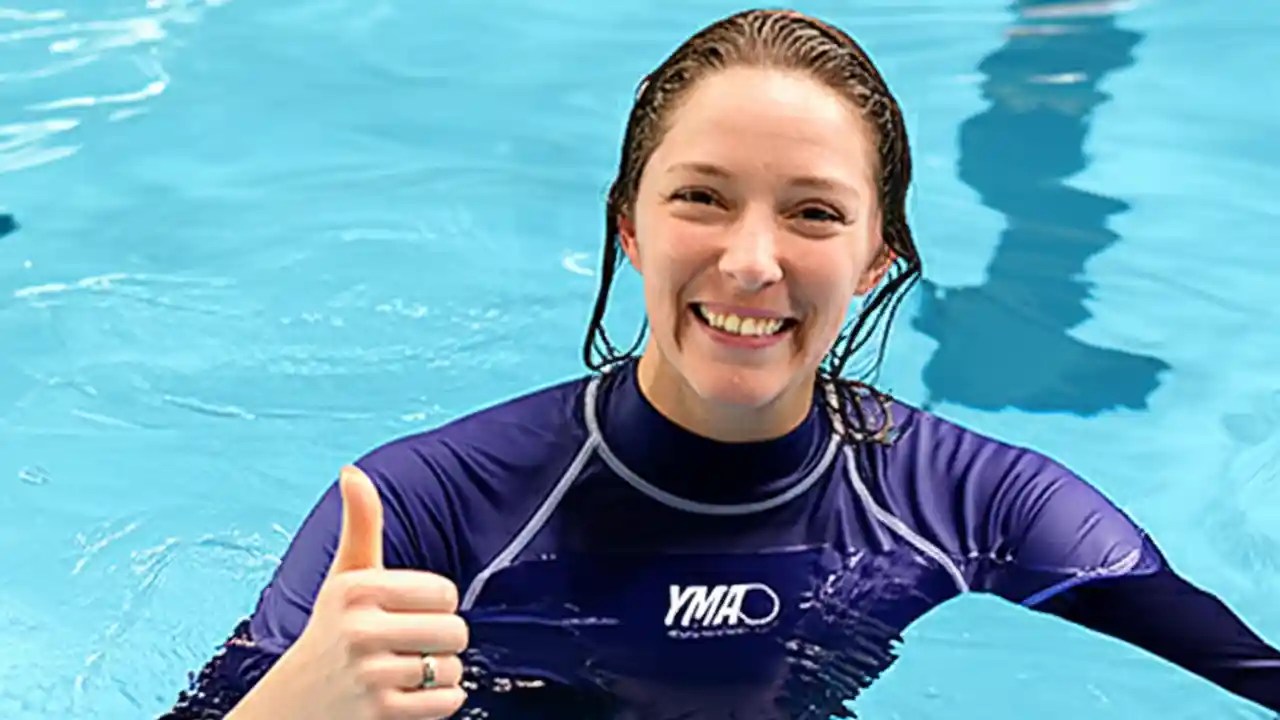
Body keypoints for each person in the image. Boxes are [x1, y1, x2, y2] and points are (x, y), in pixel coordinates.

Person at [160, 9, 1280, 719]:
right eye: (700, 197)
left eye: (811, 213)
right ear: (629, 230)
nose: (750, 262)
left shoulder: (965, 501)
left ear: (874, 259)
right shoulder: (423, 511)